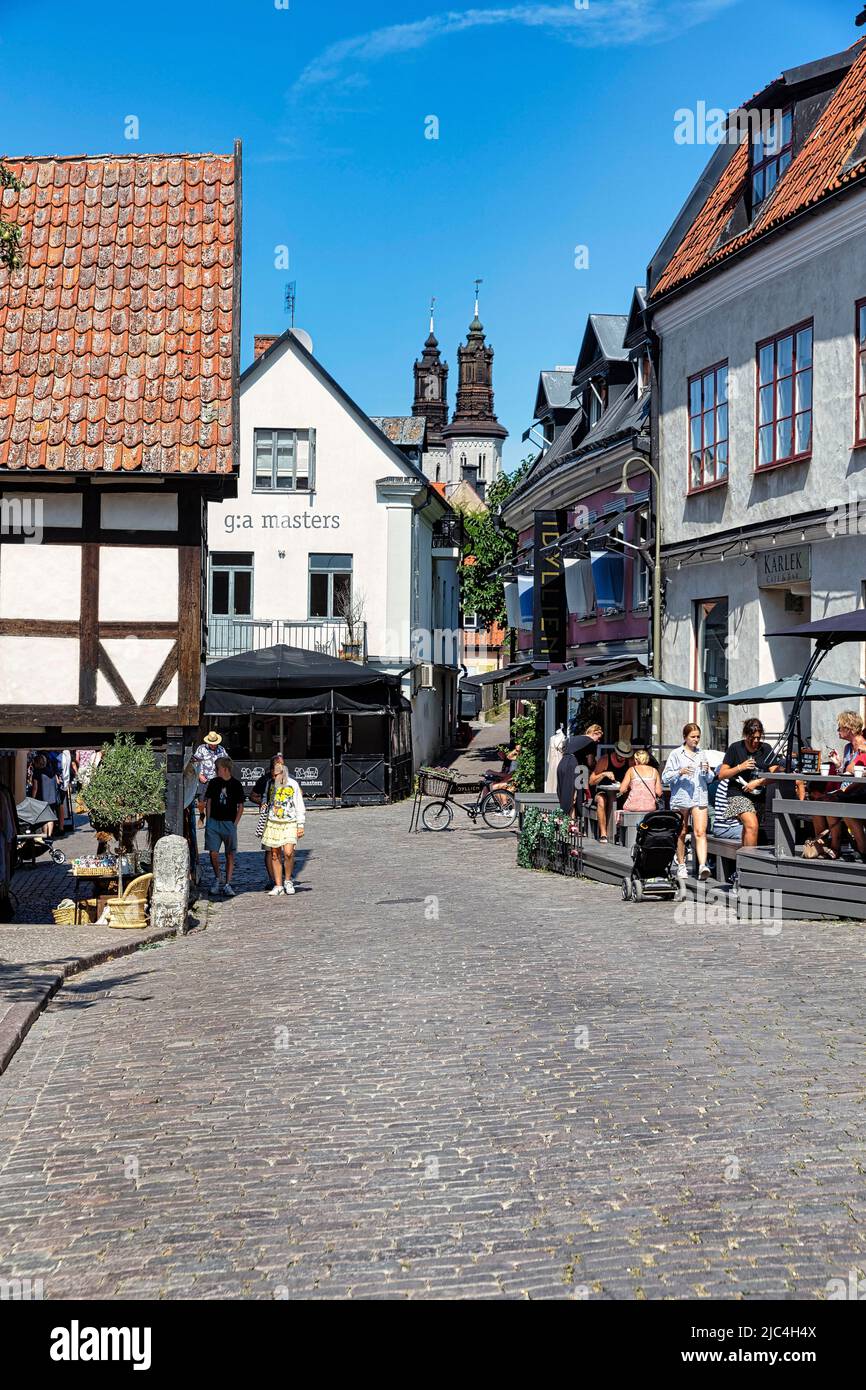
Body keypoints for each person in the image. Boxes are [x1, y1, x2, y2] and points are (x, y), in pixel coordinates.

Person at [718, 718, 782, 849]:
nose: (756, 741)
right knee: (752, 825)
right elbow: (722, 774)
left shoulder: (766, 748)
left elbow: (776, 774)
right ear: (746, 735)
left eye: (758, 738)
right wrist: (740, 767)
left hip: (758, 796)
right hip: (737, 793)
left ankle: (741, 864)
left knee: (748, 829)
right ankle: (750, 864)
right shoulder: (735, 748)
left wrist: (758, 782)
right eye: (752, 738)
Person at [662, 722, 715, 880]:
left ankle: (702, 866)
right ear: (685, 737)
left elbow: (711, 778)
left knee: (700, 832)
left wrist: (707, 771)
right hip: (681, 797)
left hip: (699, 796)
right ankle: (682, 864)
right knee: (682, 831)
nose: (696, 740)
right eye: (693, 737)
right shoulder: (676, 754)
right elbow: (665, 777)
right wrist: (680, 772)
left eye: (698, 737)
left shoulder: (702, 754)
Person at [259, 754, 306, 896]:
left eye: (276, 775)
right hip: (273, 821)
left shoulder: (293, 784)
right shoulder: (270, 784)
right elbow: (265, 799)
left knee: (289, 852)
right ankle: (278, 884)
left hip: (289, 821)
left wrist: (301, 824)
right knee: (274, 854)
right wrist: (264, 806)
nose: (274, 778)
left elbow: (299, 804)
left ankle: (288, 880)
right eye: (273, 775)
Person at [203, 757, 246, 896]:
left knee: (230, 854)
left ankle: (227, 883)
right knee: (213, 852)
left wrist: (235, 824)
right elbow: (208, 802)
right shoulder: (214, 783)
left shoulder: (236, 784)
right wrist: (208, 820)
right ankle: (217, 876)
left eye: (217, 769)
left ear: (225, 769)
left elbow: (240, 806)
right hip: (214, 822)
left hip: (229, 822)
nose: (216, 771)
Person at [589, 729, 634, 842]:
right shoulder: (605, 760)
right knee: (601, 800)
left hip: (621, 790)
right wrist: (604, 774)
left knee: (631, 796)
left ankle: (623, 832)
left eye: (624, 756)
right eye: (620, 755)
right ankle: (604, 834)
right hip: (603, 790)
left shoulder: (629, 762)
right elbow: (591, 781)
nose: (622, 758)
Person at [556, 723, 602, 817]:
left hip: (562, 764)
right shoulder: (590, 742)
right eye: (599, 737)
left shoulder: (572, 739)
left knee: (565, 795)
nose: (599, 740)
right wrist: (598, 768)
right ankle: (572, 823)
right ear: (594, 733)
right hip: (573, 766)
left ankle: (567, 822)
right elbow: (590, 763)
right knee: (574, 795)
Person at [251, 755, 281, 890]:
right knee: (269, 850)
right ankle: (272, 878)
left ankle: (282, 877)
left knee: (285, 849)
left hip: (284, 818)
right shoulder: (265, 780)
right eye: (279, 764)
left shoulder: (289, 778)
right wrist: (263, 803)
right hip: (268, 818)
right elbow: (252, 796)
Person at [194, 731, 228, 825]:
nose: (213, 745)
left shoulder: (221, 750)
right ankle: (202, 814)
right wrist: (199, 775)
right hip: (204, 778)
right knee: (201, 801)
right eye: (211, 743)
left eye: (215, 743)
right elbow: (195, 763)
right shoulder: (201, 749)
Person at [619, 748, 662, 817]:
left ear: (636, 760)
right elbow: (659, 792)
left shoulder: (631, 770)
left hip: (632, 807)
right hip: (650, 807)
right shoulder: (655, 771)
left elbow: (622, 789)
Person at [30, 753, 60, 838]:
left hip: (41, 798)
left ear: (36, 762)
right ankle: (50, 835)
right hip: (52, 798)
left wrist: (32, 798)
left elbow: (35, 788)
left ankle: (45, 835)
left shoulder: (37, 773)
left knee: (43, 818)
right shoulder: (51, 771)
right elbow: (56, 783)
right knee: (50, 817)